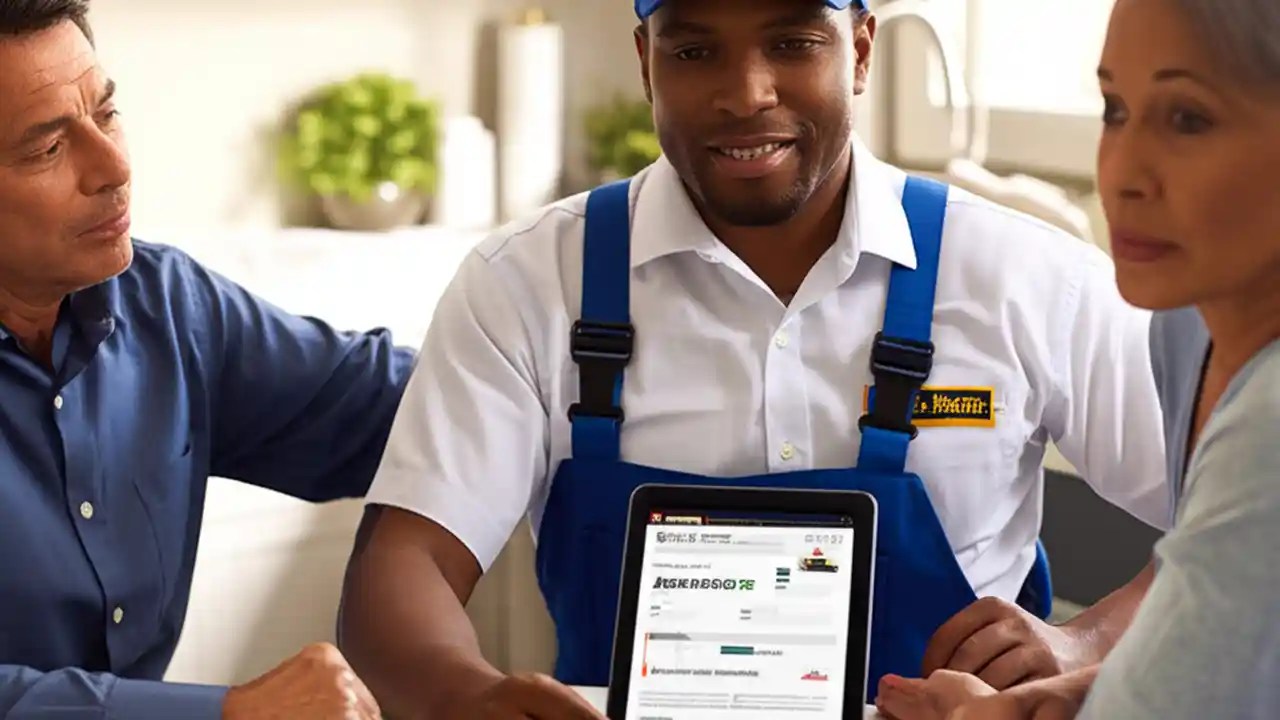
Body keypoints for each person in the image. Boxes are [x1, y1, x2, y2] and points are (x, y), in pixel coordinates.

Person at [338, 0, 1173, 717]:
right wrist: (461, 695)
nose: (746, 94)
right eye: (695, 50)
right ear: (646, 61)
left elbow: (1247, 512)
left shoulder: (1027, 278)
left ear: (860, 50)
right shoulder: (525, 284)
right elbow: (405, 564)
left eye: (792, 43)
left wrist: (1089, 642)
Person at [0, 1, 415, 717]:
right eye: (48, 150)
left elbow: (387, 408)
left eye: (105, 114)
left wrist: (593, 356)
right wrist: (227, 711)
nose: (115, 166)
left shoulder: (165, 305)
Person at [874, 0, 1280, 717]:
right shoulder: (1182, 329)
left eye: (1188, 119)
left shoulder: (1269, 423)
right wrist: (1058, 699)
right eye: (1116, 109)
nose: (1122, 172)